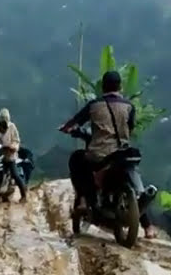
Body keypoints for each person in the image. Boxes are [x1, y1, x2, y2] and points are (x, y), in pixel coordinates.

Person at [58, 71, 157, 238]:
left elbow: (74, 122)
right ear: (120, 87)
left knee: (77, 159)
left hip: (101, 155)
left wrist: (66, 128)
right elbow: (130, 128)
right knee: (133, 181)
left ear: (103, 86)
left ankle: (83, 200)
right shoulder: (129, 106)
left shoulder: (94, 105)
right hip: (123, 153)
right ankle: (148, 227)